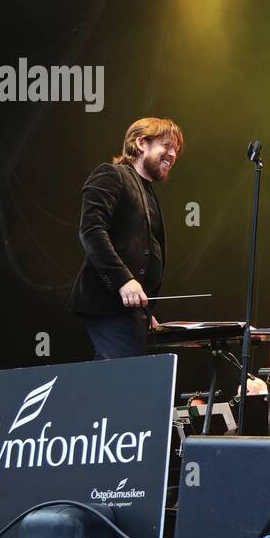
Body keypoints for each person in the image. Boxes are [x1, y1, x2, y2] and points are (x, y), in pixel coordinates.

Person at [69, 117, 182, 359]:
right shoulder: (112, 175)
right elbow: (91, 230)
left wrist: (145, 309)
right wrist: (123, 281)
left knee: (123, 382)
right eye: (166, 145)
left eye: (175, 150)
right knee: (121, 382)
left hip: (131, 310)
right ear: (141, 143)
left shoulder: (148, 191)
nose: (172, 154)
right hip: (109, 303)